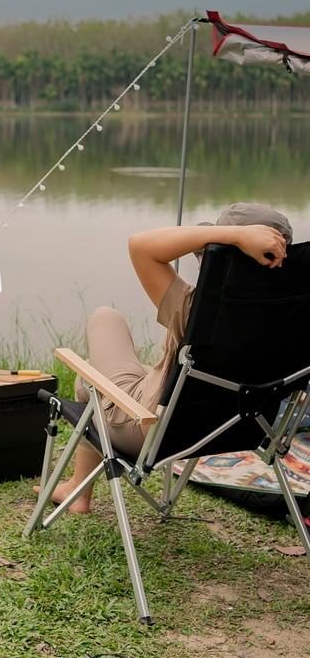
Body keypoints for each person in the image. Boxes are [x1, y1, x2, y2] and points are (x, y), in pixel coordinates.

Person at [40, 202, 294, 514]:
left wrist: (232, 235)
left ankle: (77, 491)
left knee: (102, 326)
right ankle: (76, 490)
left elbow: (140, 245)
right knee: (106, 375)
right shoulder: (296, 321)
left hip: (153, 429)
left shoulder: (196, 312)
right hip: (242, 429)